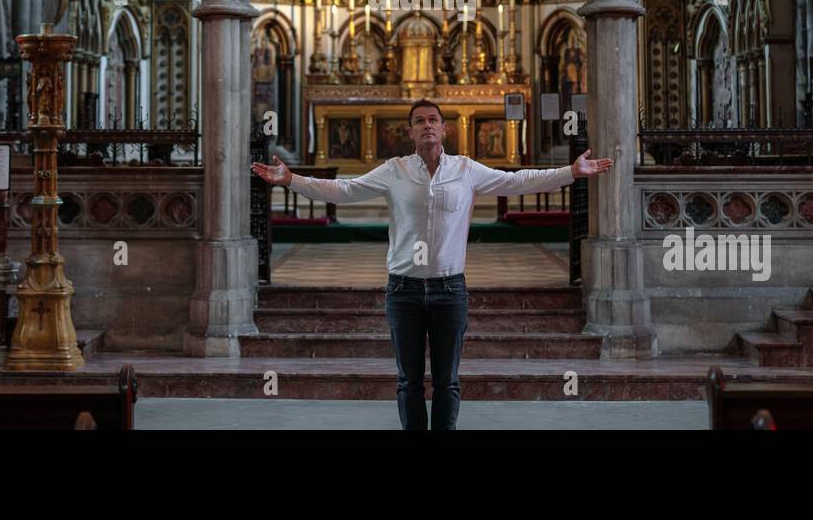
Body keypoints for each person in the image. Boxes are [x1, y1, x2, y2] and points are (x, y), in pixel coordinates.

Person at [251, 98, 613, 430]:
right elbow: (345, 190)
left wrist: (571, 172)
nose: (427, 125)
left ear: (445, 129)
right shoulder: (394, 170)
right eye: (419, 121)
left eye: (433, 120)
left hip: (449, 288)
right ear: (409, 131)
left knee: (447, 382)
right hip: (404, 288)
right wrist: (291, 180)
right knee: (408, 381)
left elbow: (516, 181)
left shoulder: (466, 170)